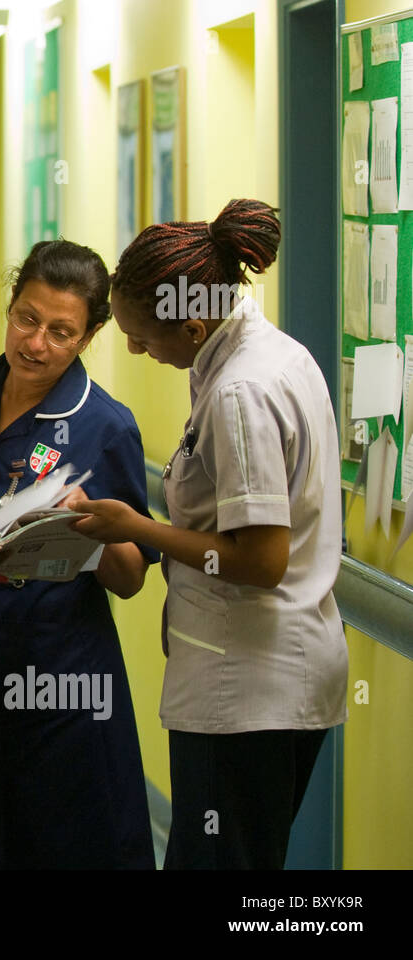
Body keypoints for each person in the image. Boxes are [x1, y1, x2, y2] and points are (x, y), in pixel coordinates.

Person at [69, 199, 349, 870]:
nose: (135, 348)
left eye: (143, 337)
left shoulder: (241, 393)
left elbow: (260, 560)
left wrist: (140, 529)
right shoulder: (274, 355)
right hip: (267, 679)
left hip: (249, 690)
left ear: (194, 325)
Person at [0, 240, 160, 869]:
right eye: (26, 319)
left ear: (89, 336)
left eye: (61, 332)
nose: (36, 344)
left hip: (59, 683)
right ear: (10, 304)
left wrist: (90, 524)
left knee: (60, 847)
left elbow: (132, 577)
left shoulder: (106, 425)